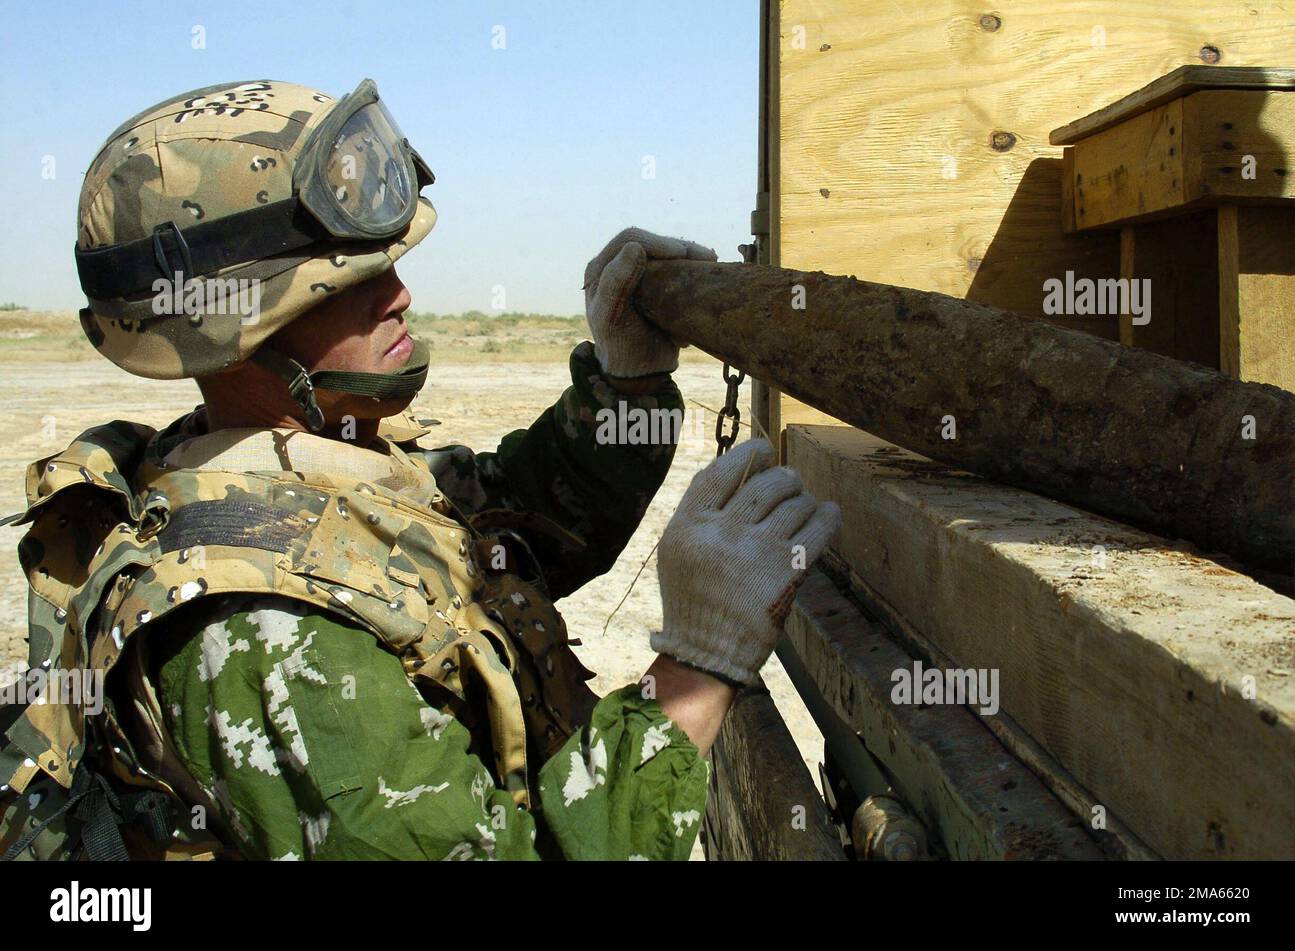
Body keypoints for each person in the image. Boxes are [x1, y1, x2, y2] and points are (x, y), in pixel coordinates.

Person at [0, 78, 839, 861]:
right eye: (345, 285)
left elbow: (504, 529)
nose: (397, 294)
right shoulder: (257, 629)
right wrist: (694, 668)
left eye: (389, 264)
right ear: (232, 330)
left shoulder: (313, 464)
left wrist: (626, 384)